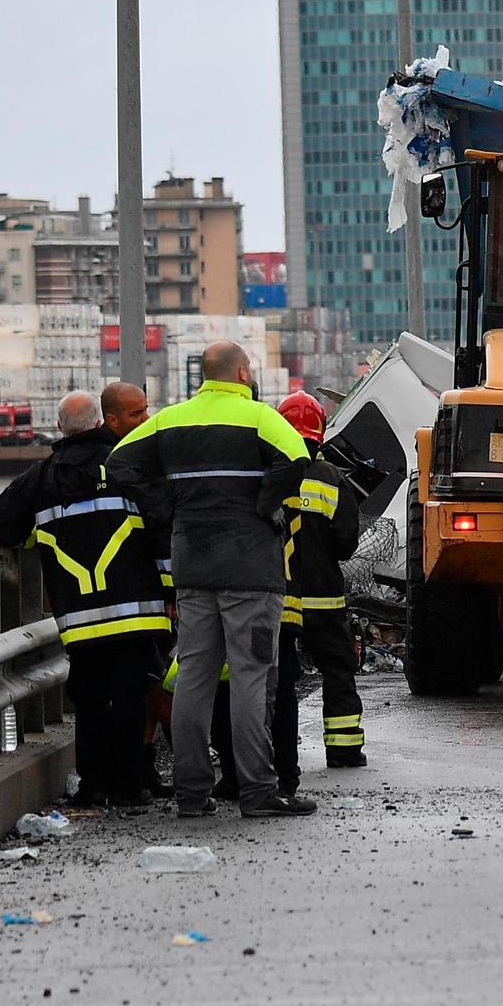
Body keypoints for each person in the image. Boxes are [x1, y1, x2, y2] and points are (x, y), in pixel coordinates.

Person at [107, 341, 316, 818]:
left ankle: (192, 794)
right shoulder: (260, 418)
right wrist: (264, 505)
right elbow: (297, 458)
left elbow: (119, 463)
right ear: (242, 372)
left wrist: (165, 507)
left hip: (193, 564)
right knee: (250, 675)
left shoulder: (170, 419)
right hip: (251, 568)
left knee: (195, 677)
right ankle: (258, 792)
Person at [0, 389, 167, 810]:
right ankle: (129, 790)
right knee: (129, 698)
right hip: (134, 612)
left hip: (79, 618)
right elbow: (161, 522)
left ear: (61, 429)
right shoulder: (126, 465)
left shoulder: (42, 478)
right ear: (102, 423)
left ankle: (92, 788)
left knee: (88, 701)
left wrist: (36, 535)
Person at [275, 390, 366, 782]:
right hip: (324, 600)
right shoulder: (332, 479)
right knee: (337, 670)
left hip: (276, 600)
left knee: (277, 678)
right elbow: (347, 544)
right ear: (320, 433)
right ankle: (344, 749)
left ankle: (278, 755)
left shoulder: (266, 476)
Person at [102, 380, 174, 799]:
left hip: (139, 601)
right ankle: (176, 771)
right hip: (140, 602)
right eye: (136, 414)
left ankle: (146, 770)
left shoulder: (143, 459)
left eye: (147, 411)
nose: (145, 420)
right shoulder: (120, 467)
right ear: (111, 419)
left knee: (151, 685)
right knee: (155, 686)